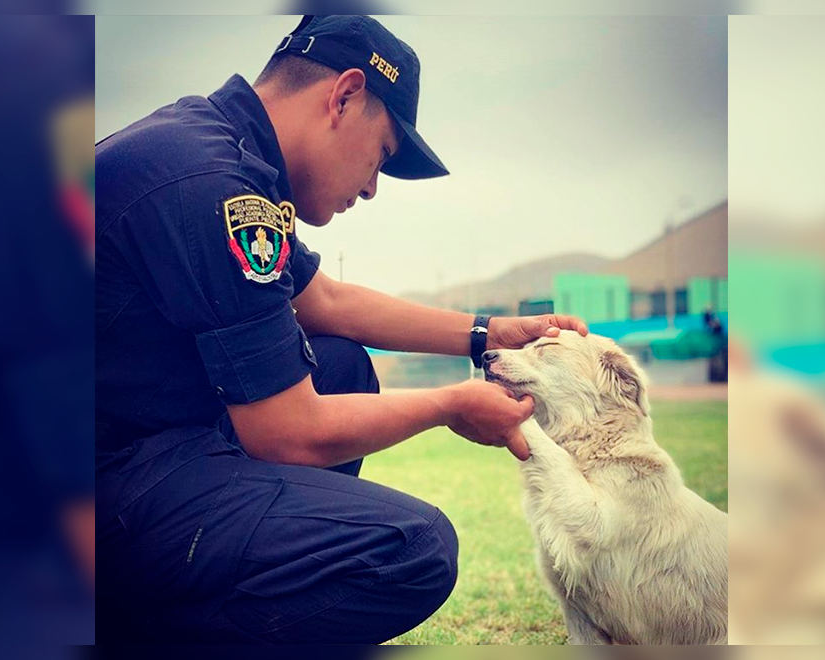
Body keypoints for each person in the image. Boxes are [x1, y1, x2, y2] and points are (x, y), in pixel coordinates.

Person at [95, 15, 587, 643]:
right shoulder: (213, 186)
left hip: (129, 442)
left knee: (341, 366)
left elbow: (323, 300)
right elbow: (287, 435)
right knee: (413, 549)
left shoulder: (216, 148)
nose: (374, 187)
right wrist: (448, 406)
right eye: (381, 154)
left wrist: (487, 333)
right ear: (345, 94)